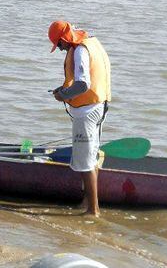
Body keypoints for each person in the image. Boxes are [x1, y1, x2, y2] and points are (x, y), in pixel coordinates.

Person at [48, 20, 111, 217]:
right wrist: (64, 89)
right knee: (91, 157)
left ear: (65, 38)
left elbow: (83, 84)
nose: (60, 49)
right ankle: (89, 201)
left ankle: (93, 211)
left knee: (84, 163)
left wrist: (63, 96)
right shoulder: (92, 42)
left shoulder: (79, 51)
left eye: (59, 44)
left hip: (86, 113)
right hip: (99, 105)